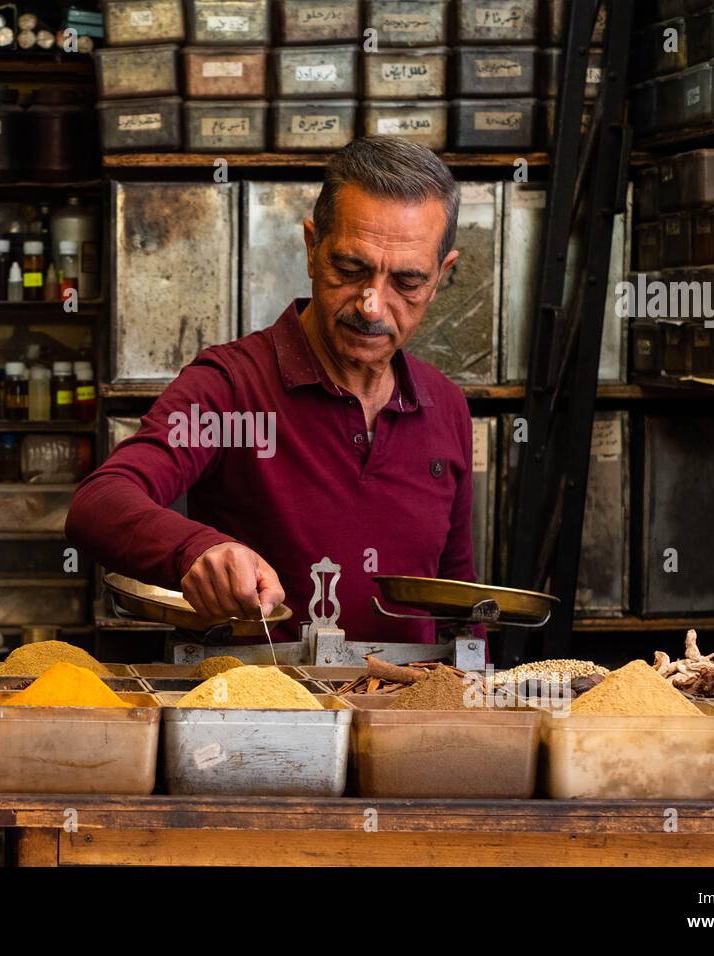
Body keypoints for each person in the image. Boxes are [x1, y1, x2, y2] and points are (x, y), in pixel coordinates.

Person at [67, 136, 477, 648]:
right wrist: (194, 550)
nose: (372, 305)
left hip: (405, 716)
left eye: (408, 282)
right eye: (349, 270)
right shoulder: (231, 386)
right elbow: (98, 504)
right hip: (259, 713)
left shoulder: (447, 407)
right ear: (311, 248)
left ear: (441, 276)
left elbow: (461, 603)